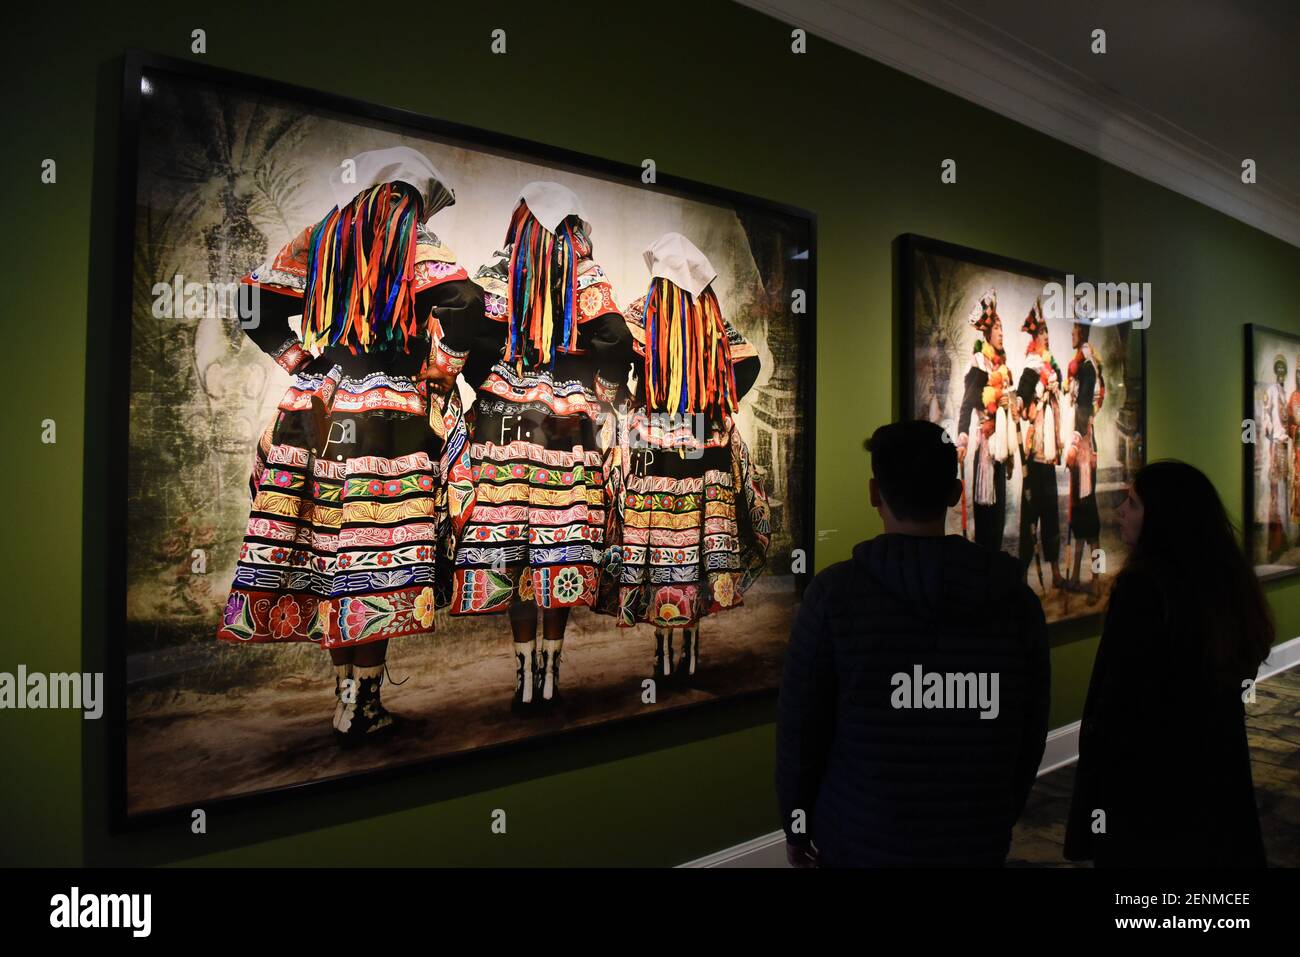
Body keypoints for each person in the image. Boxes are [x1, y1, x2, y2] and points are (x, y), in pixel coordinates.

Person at [216, 147, 485, 746]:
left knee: (328, 553)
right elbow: (464, 301)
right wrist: (445, 366)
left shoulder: (321, 235)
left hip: (312, 411)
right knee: (375, 550)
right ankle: (364, 701)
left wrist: (302, 361)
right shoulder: (409, 235)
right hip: (385, 414)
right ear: (408, 196)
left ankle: (344, 698)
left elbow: (249, 302)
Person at [776, 420, 1051, 867]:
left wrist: (797, 823)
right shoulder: (1015, 602)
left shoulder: (833, 597)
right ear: (956, 492)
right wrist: (1000, 814)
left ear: (873, 492)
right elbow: (1029, 729)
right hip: (974, 839)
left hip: (857, 837)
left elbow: (801, 730)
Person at [448, 182, 632, 711]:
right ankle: (552, 671)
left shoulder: (502, 267)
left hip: (501, 428)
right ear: (573, 222)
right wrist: (601, 386)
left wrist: (487, 376)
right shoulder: (582, 270)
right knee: (559, 548)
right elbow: (617, 337)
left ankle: (523, 673)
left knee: (517, 552)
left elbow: (468, 318)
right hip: (566, 428)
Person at [1065, 461, 1274, 867]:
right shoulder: (1224, 583)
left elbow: (1122, 699)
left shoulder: (1145, 587)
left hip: (1149, 787)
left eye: (1134, 503)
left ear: (1164, 519)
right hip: (1213, 778)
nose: (1120, 511)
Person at [602, 233, 770, 680]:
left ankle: (660, 650)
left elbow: (617, 350)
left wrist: (628, 399)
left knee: (659, 545)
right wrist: (714, 401)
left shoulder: (644, 310)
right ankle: (691, 655)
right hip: (706, 443)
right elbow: (749, 361)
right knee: (696, 545)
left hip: (651, 445)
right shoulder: (710, 315)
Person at [956, 289, 1016, 550]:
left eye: (1003, 327)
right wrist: (962, 438)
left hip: (1001, 447)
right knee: (986, 511)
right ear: (987, 332)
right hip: (985, 449)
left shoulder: (1002, 366)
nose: (1002, 332)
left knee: (1000, 510)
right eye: (998, 328)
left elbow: (1010, 404)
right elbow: (967, 404)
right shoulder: (979, 362)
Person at [1015, 299, 1064, 590]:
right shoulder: (1033, 362)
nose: (1046, 335)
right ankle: (1021, 572)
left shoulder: (1050, 363)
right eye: (1043, 331)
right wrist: (1022, 399)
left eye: (1047, 330)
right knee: (1030, 514)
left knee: (1051, 515)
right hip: (1035, 453)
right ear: (1036, 336)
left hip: (1050, 452)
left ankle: (1056, 571)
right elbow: (1024, 388)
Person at [1063, 315, 1106, 597]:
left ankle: (1096, 579)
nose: (1072, 332)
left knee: (1089, 514)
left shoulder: (1088, 366)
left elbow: (1084, 406)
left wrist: (1076, 440)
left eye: (1075, 328)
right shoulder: (1082, 363)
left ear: (1083, 330)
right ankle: (1078, 577)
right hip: (1080, 444)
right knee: (1079, 512)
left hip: (1085, 448)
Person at [1262, 354, 1293, 560]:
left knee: (1286, 492)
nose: (1281, 373)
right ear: (1275, 371)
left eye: (1284, 369)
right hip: (1276, 446)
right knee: (1276, 495)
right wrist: (1270, 428)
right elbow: (1266, 414)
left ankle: (1285, 539)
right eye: (1278, 369)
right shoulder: (1272, 391)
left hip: (1285, 446)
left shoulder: (1285, 392)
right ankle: (1276, 542)